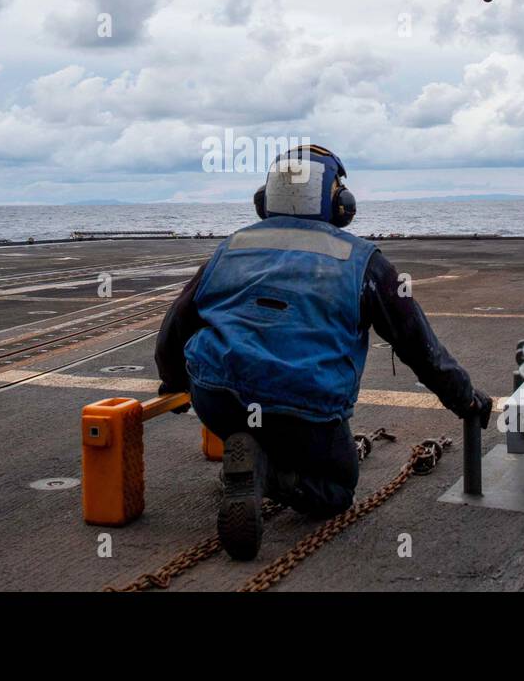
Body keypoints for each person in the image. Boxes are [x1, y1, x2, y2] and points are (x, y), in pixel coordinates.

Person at [154, 144, 491, 561]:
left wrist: (172, 382)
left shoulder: (230, 248)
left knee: (250, 424)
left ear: (264, 200)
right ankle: (267, 473)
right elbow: (419, 347)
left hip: (218, 396)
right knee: (336, 491)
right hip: (304, 407)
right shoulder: (362, 261)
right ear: (340, 204)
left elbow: (176, 326)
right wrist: (467, 400)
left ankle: (249, 456)